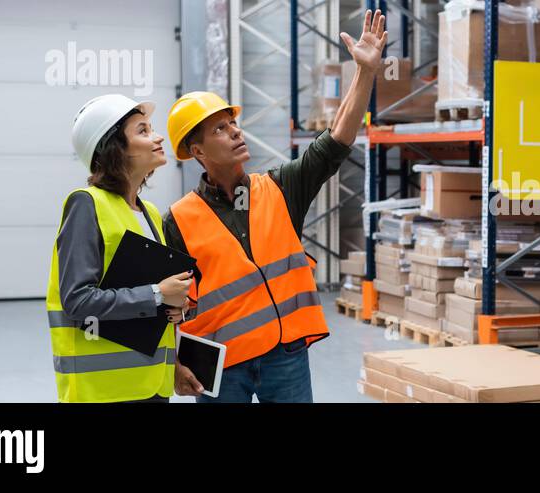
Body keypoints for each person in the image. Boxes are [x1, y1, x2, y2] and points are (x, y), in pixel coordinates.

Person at [160, 10, 387, 403]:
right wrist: (172, 363)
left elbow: (335, 142)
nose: (234, 131)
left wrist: (364, 72)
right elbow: (170, 305)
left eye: (232, 123)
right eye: (219, 129)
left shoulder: (280, 188)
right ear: (196, 151)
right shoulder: (178, 220)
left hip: (286, 356)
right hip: (221, 364)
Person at [47, 94, 204, 403]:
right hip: (105, 393)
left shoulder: (150, 214)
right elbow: (77, 300)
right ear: (114, 149)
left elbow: (145, 296)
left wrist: (173, 309)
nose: (158, 137)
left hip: (151, 385)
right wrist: (158, 294)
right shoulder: (86, 204)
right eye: (143, 130)